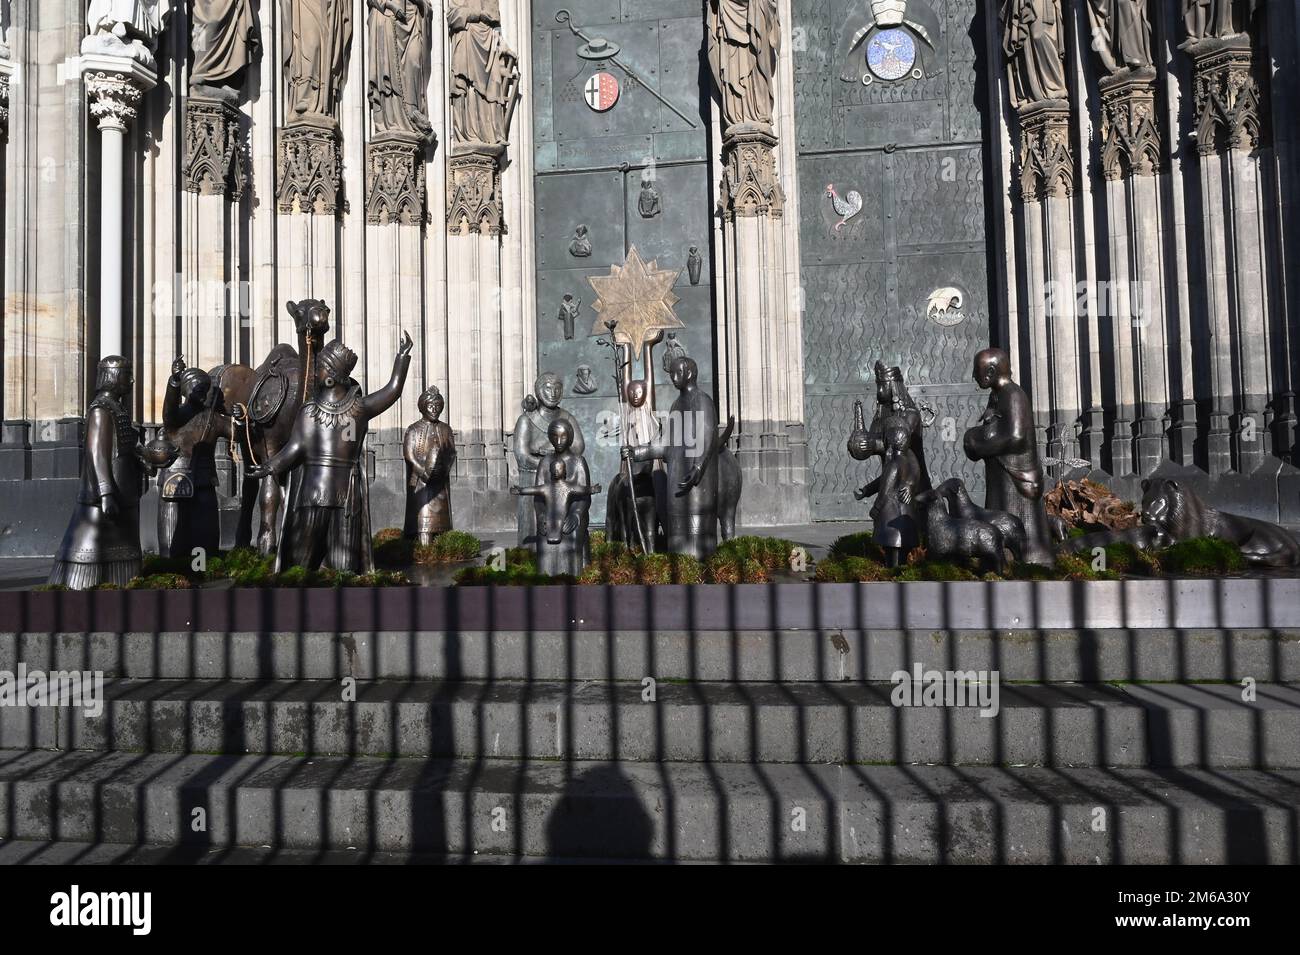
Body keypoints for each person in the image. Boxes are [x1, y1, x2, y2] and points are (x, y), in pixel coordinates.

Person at [247, 333, 412, 572]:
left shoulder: (359, 408)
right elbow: (295, 448)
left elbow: (393, 390)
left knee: (343, 565)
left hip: (347, 498)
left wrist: (402, 357)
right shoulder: (309, 411)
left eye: (321, 368)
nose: (316, 373)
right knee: (301, 560)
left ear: (333, 377)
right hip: (312, 496)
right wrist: (270, 466)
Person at [49, 356, 151, 589]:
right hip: (108, 495)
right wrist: (105, 493)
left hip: (123, 492)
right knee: (90, 548)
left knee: (120, 550)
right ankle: (82, 589)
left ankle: (122, 586)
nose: (132, 380)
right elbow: (97, 454)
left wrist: (149, 460)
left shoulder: (116, 408)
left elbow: (127, 449)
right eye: (127, 374)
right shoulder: (100, 410)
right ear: (113, 377)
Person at [962, 347, 1054, 565]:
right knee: (1000, 516)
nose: (974, 376)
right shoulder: (997, 396)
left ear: (992, 371)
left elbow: (1016, 437)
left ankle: (1031, 560)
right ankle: (1002, 558)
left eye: (978, 370)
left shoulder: (1013, 395)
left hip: (1017, 477)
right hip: (1002, 475)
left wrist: (982, 448)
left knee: (1020, 522)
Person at [403, 384, 455, 545]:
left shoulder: (446, 429)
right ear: (423, 407)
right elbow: (409, 455)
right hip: (421, 483)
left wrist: (444, 470)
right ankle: (424, 550)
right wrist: (423, 473)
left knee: (442, 524)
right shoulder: (413, 429)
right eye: (431, 405)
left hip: (440, 483)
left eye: (438, 406)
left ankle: (443, 550)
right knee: (423, 525)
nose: (434, 409)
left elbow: (451, 453)